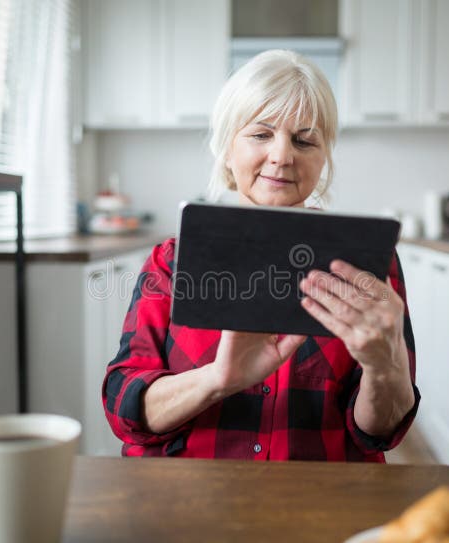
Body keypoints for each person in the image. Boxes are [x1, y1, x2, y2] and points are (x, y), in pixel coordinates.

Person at [103, 50, 419, 461]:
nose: (283, 155)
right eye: (260, 134)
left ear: (324, 156)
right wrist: (217, 380)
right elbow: (122, 406)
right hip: (184, 499)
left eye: (305, 139)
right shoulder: (171, 261)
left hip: (321, 500)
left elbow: (383, 433)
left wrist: (383, 368)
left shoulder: (366, 266)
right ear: (227, 149)